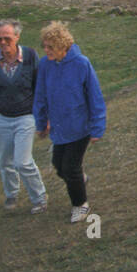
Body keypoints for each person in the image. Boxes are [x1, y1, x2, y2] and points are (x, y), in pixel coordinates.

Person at [33, 21, 106, 223]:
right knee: (59, 166)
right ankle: (80, 181)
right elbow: (40, 96)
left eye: (50, 47)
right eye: (44, 46)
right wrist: (41, 123)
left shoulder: (82, 64)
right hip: (58, 127)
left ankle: (80, 205)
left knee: (70, 168)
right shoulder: (45, 65)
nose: (46, 50)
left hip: (80, 127)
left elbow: (95, 97)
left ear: (62, 46)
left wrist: (97, 128)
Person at [0, 19, 48, 214]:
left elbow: (40, 87)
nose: (3, 43)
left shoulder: (31, 55)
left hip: (26, 116)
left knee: (22, 161)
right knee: (4, 161)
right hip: (0, 117)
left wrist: (44, 116)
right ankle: (11, 194)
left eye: (7, 38)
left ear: (17, 37)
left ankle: (39, 198)